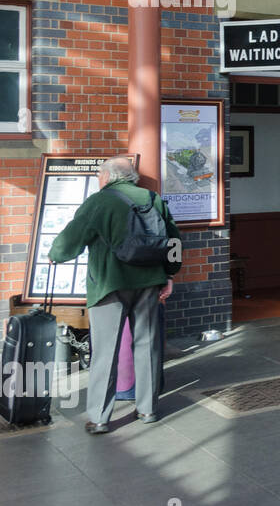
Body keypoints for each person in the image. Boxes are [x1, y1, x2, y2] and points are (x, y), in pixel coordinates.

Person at [49, 156, 181, 433]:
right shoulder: (152, 198)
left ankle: (99, 418)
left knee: (105, 351)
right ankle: (148, 410)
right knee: (147, 346)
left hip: (109, 285)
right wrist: (169, 273)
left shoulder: (100, 201)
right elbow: (174, 239)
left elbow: (71, 239)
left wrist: (55, 256)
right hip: (149, 283)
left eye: (99, 175)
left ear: (107, 177)